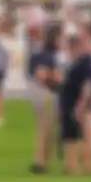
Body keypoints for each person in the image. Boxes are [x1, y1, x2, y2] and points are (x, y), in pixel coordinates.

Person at [60, 31, 91, 175]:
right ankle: (70, 165)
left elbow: (89, 86)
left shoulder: (86, 64)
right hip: (69, 103)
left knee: (85, 135)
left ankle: (87, 166)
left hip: (80, 104)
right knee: (70, 135)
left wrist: (81, 105)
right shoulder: (72, 63)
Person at [27, 25, 61, 174]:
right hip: (46, 93)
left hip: (38, 93)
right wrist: (57, 79)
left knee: (46, 129)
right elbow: (41, 75)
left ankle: (43, 161)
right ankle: (40, 161)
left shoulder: (39, 53)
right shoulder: (48, 55)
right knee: (45, 129)